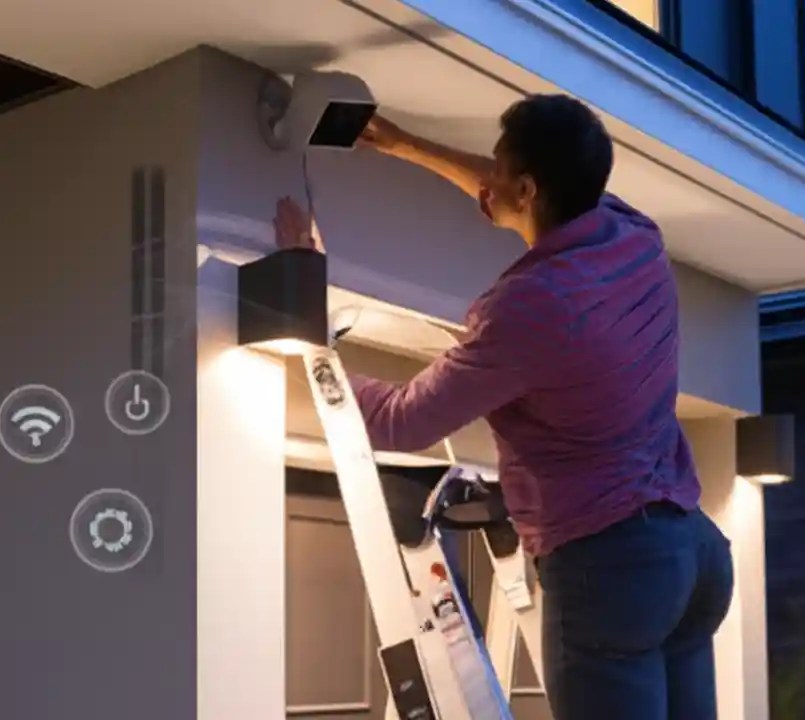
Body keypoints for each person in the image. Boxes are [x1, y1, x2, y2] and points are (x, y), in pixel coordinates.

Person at [276, 94, 735, 720]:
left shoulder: (532, 306)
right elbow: (516, 188)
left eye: (498, 168)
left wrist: (300, 310)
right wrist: (406, 144)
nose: (484, 179)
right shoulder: (635, 235)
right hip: (693, 555)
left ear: (527, 186)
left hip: (613, 565)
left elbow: (401, 421)